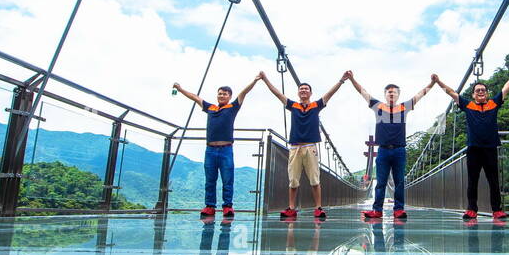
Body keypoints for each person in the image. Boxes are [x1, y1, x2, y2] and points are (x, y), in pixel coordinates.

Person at [346, 71, 437, 220]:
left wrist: (432, 83)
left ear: (398, 95)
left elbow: (420, 95)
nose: (391, 94)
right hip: (383, 150)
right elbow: (363, 92)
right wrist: (352, 79)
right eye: (389, 92)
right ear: (385, 95)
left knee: (399, 182)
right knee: (381, 182)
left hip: (399, 150)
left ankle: (398, 210)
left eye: (394, 92)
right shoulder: (378, 106)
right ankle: (377, 211)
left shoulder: (404, 107)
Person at [434, 66, 509, 221]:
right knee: (472, 180)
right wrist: (438, 81)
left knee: (493, 180)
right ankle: (472, 209)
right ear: (473, 94)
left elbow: (506, 88)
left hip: (490, 148)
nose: (480, 92)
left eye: (483, 90)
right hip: (473, 148)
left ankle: (497, 210)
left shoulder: (493, 104)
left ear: (486, 93)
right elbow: (451, 92)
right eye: (477, 90)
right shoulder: (468, 105)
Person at [172, 74, 264, 218]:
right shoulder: (211, 108)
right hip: (210, 149)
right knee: (210, 179)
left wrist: (255, 80)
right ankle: (210, 206)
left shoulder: (233, 107)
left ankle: (228, 206)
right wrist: (180, 89)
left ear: (229, 96)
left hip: (226, 149)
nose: (221, 96)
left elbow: (244, 92)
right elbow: (195, 97)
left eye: (224, 94)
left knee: (228, 179)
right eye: (219, 93)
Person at [259, 72, 347, 219]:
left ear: (311, 93)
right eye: (301, 89)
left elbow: (330, 93)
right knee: (293, 180)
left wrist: (341, 81)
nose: (303, 90)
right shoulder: (293, 105)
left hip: (310, 146)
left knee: (314, 179)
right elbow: (277, 93)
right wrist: (265, 79)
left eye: (306, 89)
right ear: (298, 93)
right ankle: (291, 208)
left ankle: (318, 208)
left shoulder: (316, 105)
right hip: (294, 147)